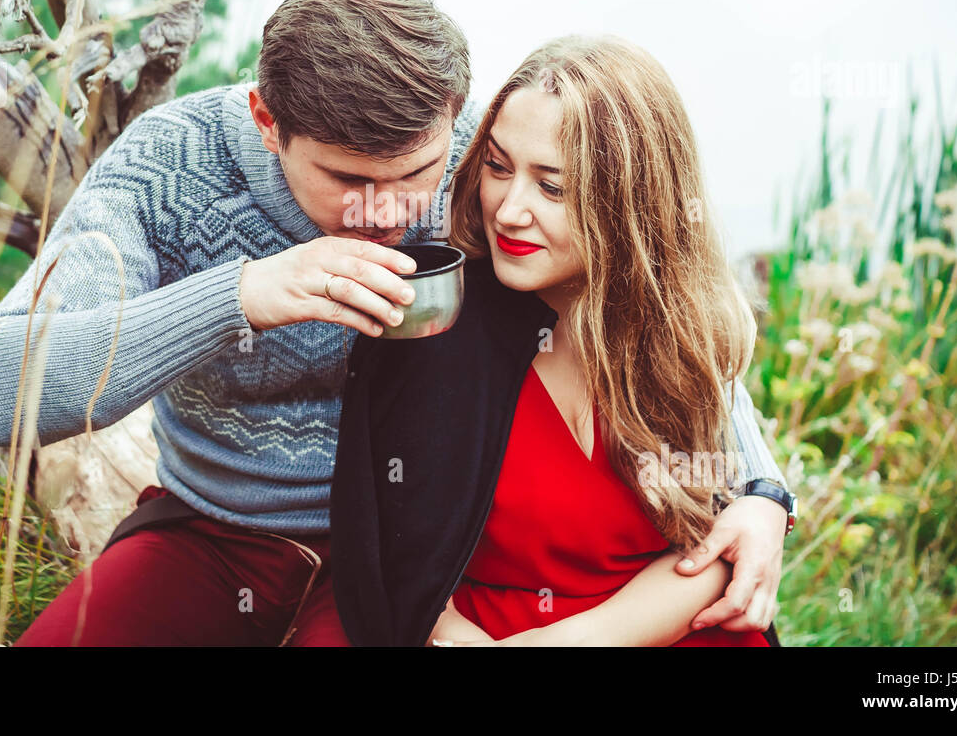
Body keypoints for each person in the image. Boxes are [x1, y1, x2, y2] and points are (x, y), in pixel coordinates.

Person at [0, 0, 792, 646]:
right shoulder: (166, 170)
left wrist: (759, 487)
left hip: (423, 546)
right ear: (266, 121)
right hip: (223, 532)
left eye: (415, 175)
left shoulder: (486, 158)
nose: (389, 213)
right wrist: (243, 295)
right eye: (350, 180)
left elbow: (645, 303)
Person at [330, 34, 796, 646]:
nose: (508, 210)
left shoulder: (680, 331)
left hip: (668, 629)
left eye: (552, 187)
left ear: (631, 203)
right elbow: (391, 564)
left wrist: (766, 501)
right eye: (498, 167)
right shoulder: (435, 322)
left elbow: (714, 547)